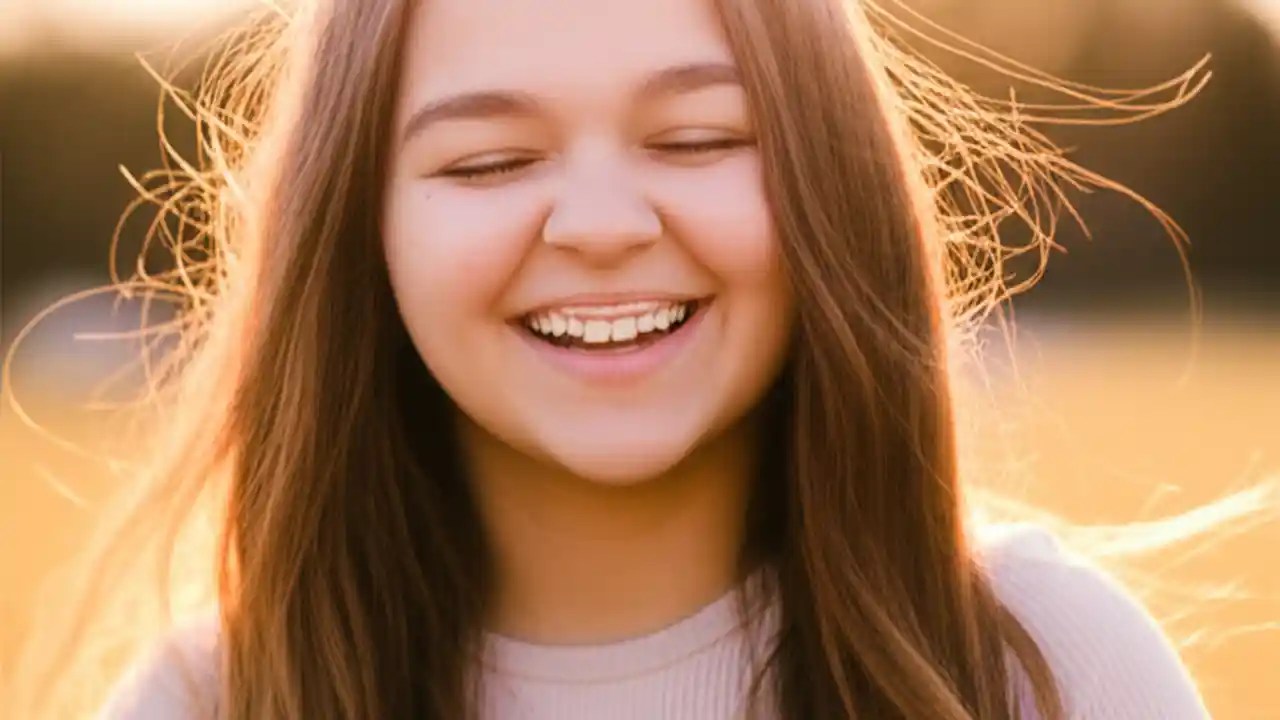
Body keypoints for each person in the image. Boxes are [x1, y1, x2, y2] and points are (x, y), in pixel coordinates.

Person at [14, 0, 1216, 718]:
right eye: (486, 162)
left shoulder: (1046, 672)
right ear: (358, 236)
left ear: (831, 184)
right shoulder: (212, 705)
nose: (600, 224)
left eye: (696, 138)